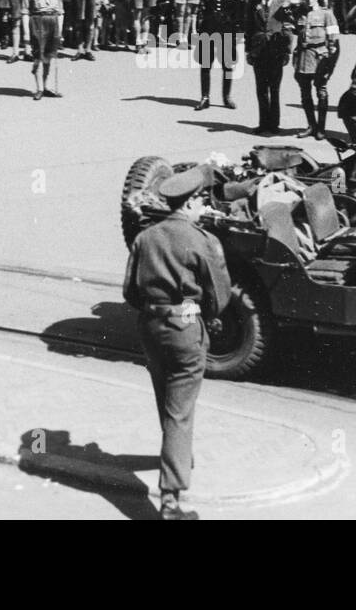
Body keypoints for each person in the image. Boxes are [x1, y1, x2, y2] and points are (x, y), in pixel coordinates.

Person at [122, 163, 231, 521]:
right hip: (185, 325)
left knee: (166, 399)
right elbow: (220, 297)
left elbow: (129, 292)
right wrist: (198, 312)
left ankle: (176, 454)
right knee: (180, 411)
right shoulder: (201, 240)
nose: (204, 208)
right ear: (190, 203)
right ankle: (171, 500)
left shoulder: (145, 237)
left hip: (150, 324)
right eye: (202, 201)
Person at [183, 0, 244, 110]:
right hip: (208, 30)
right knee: (205, 65)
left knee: (228, 66)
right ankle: (205, 97)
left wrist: (237, 32)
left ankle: (227, 96)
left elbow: (238, 13)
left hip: (226, 31)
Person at [285, 0, 340, 139]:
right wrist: (292, 0)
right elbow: (284, 15)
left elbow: (334, 39)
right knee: (305, 92)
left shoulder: (326, 13)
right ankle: (311, 125)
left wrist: (330, 60)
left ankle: (321, 128)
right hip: (303, 55)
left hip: (320, 55)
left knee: (321, 91)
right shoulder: (299, 12)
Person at [245, 0, 292, 135]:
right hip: (258, 49)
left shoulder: (282, 1)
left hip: (276, 48)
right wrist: (248, 51)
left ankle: (274, 125)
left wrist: (287, 50)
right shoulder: (252, 2)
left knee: (275, 88)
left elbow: (287, 27)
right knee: (261, 89)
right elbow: (249, 27)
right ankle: (263, 123)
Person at [25, 0, 65, 99]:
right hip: (37, 21)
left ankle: (46, 86)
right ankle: (39, 88)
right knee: (38, 56)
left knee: (49, 56)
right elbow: (25, 12)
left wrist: (60, 31)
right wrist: (25, 35)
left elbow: (60, 11)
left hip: (52, 20)